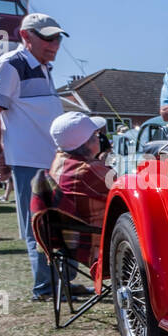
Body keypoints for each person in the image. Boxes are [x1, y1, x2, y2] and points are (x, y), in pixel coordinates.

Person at [0, 13, 68, 301]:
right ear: (25, 36)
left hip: (51, 162)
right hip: (30, 162)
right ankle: (45, 288)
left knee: (55, 226)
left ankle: (60, 284)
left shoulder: (43, 67)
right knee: (38, 226)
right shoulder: (10, 65)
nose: (54, 44)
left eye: (56, 38)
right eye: (47, 38)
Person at [30, 112, 112, 281]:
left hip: (69, 241)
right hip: (100, 243)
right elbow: (127, 188)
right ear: (88, 143)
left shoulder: (59, 162)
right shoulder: (88, 170)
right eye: (96, 135)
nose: (100, 138)